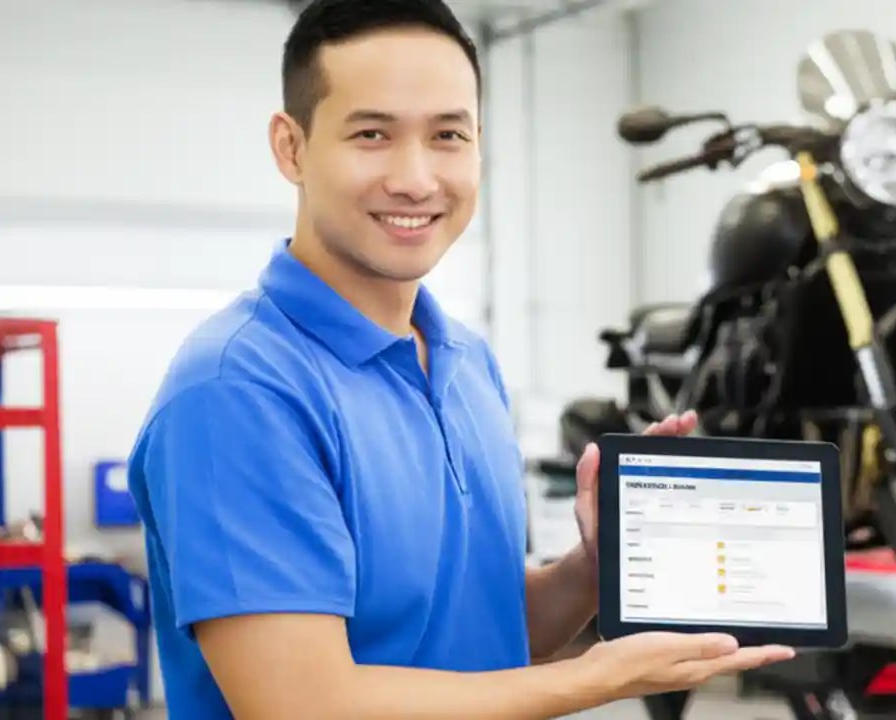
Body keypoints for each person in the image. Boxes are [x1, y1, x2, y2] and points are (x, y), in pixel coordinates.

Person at [125, 0, 795, 717]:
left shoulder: (465, 362)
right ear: (292, 147)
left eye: (448, 134)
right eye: (372, 133)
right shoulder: (238, 390)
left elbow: (485, 640)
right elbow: (304, 703)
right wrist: (602, 677)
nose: (416, 178)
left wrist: (596, 572)